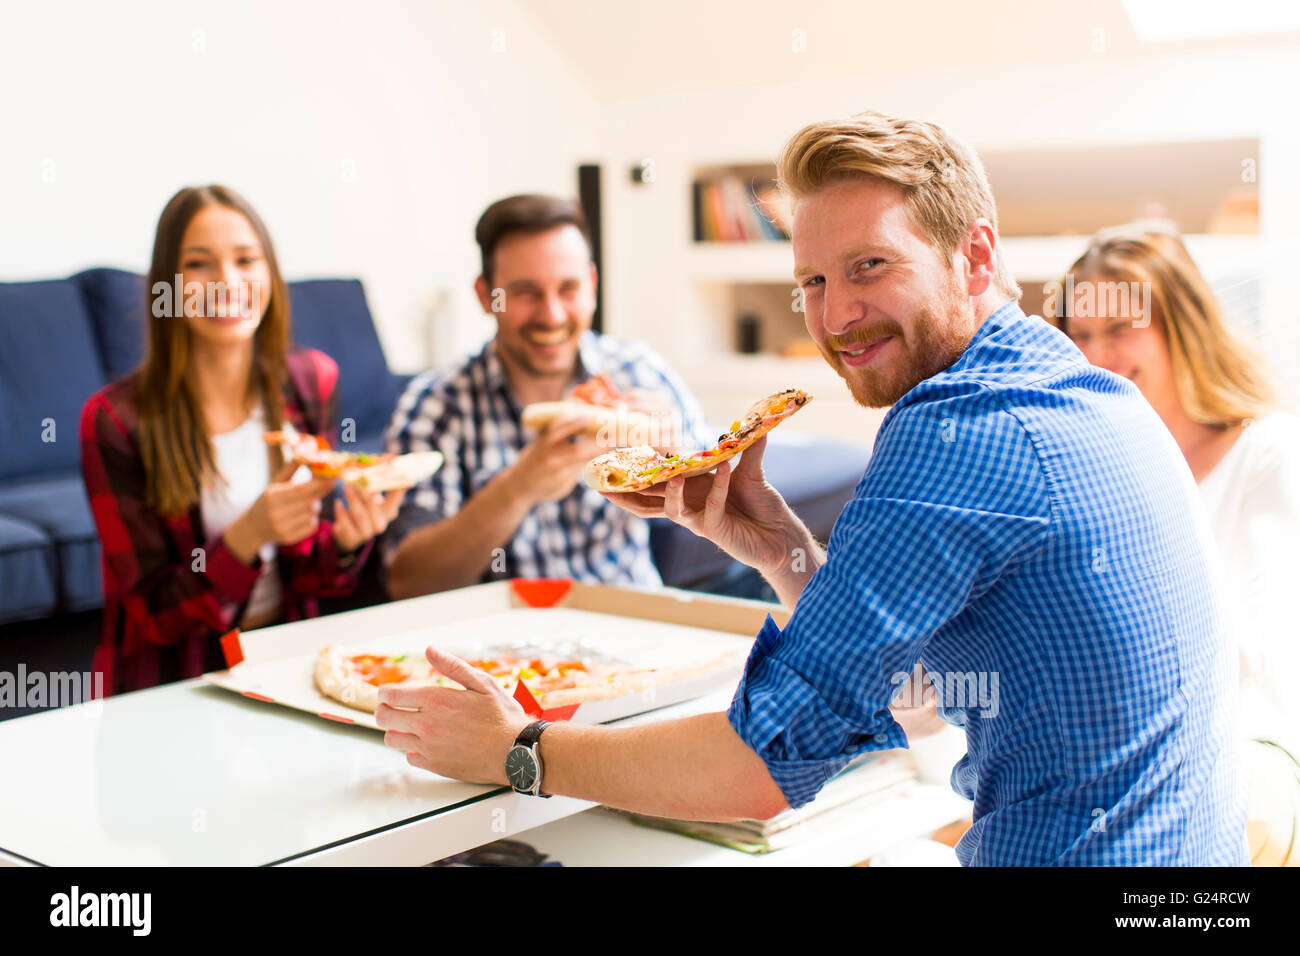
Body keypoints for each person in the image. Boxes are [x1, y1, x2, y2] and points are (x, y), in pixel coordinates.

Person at [374, 112, 1247, 866]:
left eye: (870, 266)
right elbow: (926, 702)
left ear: (974, 255)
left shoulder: (953, 430)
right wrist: (780, 548)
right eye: (814, 282)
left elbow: (755, 771)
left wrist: (518, 751)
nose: (834, 320)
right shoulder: (1085, 388)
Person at [81, 185, 401, 695]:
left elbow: (311, 576)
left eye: (246, 260)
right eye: (199, 265)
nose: (226, 283)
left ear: (270, 272)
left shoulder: (311, 380)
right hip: (173, 687)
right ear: (168, 283)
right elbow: (156, 617)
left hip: (287, 668)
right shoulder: (116, 420)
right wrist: (248, 535)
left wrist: (345, 542)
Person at [1054, 224, 1299, 864]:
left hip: (1245, 758)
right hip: (1119, 757)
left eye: (1120, 329)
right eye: (1081, 336)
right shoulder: (1097, 470)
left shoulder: (1267, 454)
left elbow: (1265, 659)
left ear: (1181, 328)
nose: (1098, 355)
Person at [383, 194, 716, 599]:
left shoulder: (638, 370)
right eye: (526, 293)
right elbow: (406, 583)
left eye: (569, 289)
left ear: (592, 287)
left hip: (635, 626)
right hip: (498, 645)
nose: (553, 316)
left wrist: (676, 460)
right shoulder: (435, 406)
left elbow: (727, 508)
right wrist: (517, 489)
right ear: (486, 295)